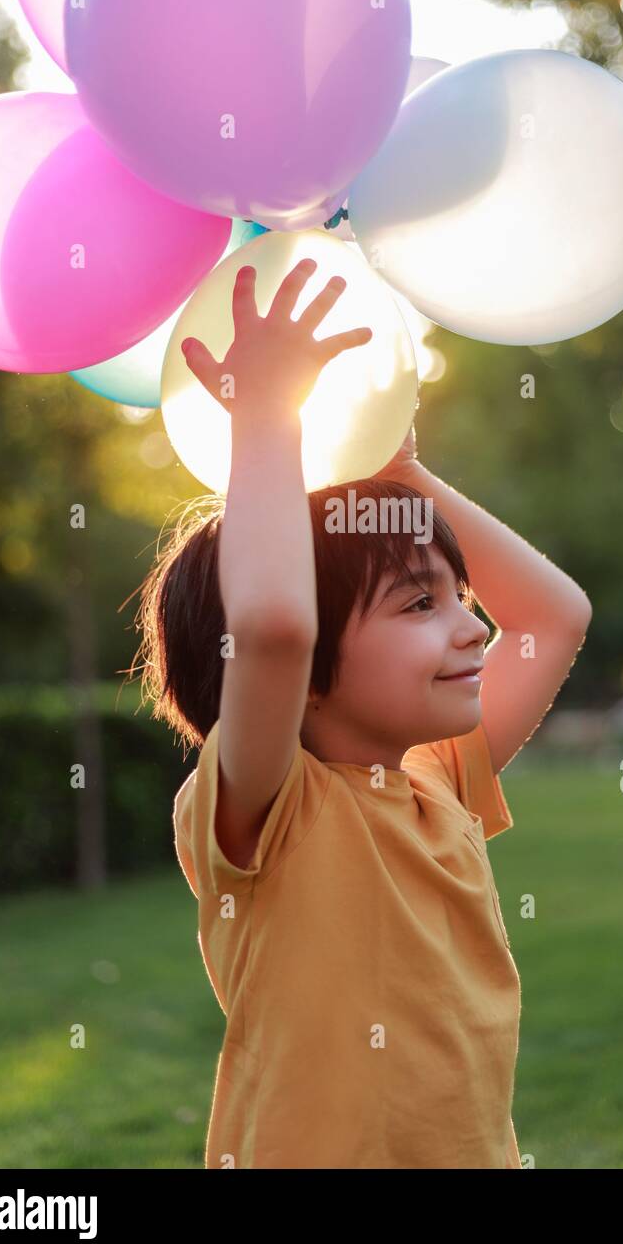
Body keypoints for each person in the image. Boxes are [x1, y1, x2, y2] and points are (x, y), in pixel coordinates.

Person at [133, 258, 592, 1168]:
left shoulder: (439, 778)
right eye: (420, 606)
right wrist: (266, 414)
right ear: (303, 676)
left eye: (459, 596)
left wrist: (405, 475)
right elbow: (270, 626)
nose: (471, 628)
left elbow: (553, 617)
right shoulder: (268, 808)